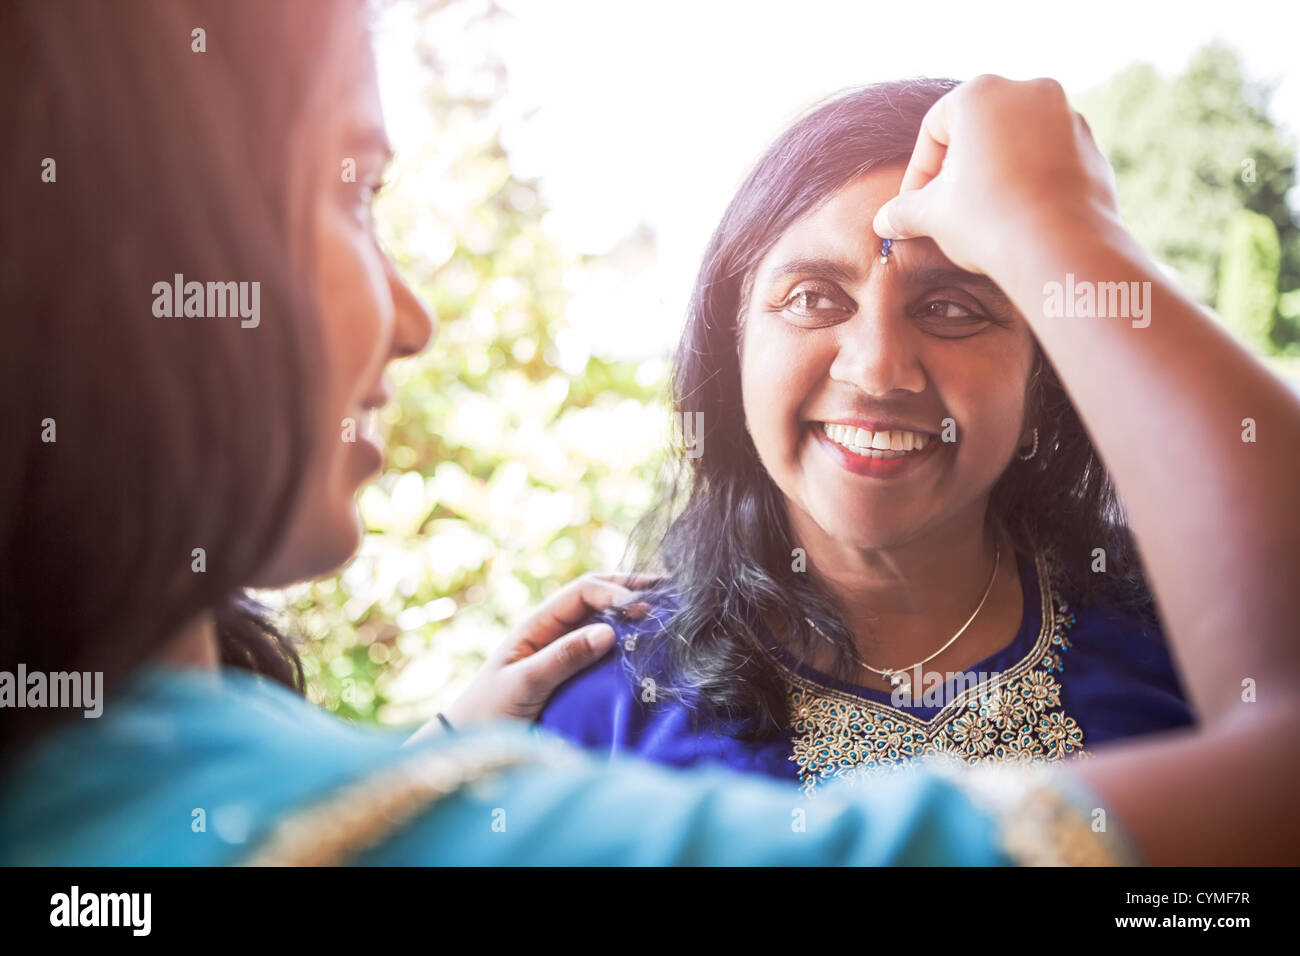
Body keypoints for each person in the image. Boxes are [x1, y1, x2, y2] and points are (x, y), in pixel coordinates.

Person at [1, 0, 1296, 866]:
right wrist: (1071, 236)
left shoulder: (1172, 654)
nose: (880, 363)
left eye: (963, 302)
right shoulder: (583, 711)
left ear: (1046, 363)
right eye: (353, 198)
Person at [538, 80, 1194, 793]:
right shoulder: (599, 713)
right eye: (814, 299)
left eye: (950, 307)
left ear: (1043, 378)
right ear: (734, 357)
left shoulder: (1191, 645)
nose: (879, 370)